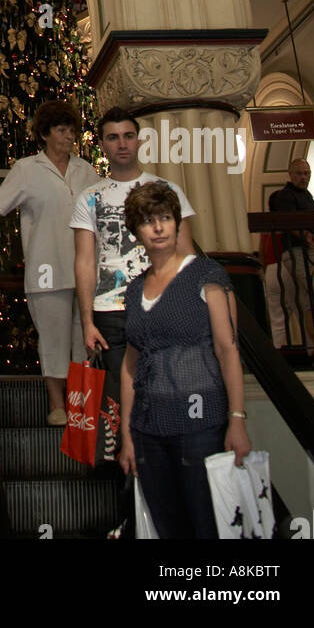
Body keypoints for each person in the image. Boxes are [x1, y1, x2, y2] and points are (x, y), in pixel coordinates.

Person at [0, 100, 98, 424]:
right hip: (46, 270)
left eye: (72, 130)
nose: (69, 137)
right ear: (45, 134)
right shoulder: (27, 169)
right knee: (53, 340)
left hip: (86, 270)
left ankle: (83, 407)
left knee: (85, 341)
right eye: (62, 130)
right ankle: (57, 404)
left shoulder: (86, 170)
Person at [118, 181, 251, 539]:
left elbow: (228, 350)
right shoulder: (134, 289)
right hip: (147, 429)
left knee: (208, 527)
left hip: (201, 425)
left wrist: (237, 420)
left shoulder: (206, 275)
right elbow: (130, 366)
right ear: (136, 232)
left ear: (177, 222)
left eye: (165, 218)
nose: (158, 228)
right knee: (167, 528)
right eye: (148, 221)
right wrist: (127, 434)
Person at [71, 106, 196, 381]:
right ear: (102, 144)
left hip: (162, 303)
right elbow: (84, 262)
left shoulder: (168, 190)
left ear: (139, 141)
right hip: (110, 310)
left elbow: (186, 254)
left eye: (128, 136)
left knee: (166, 385)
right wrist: (87, 322)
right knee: (121, 393)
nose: (122, 143)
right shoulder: (89, 197)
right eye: (113, 137)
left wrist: (188, 307)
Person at [266, 157, 314, 352]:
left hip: (308, 252)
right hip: (297, 252)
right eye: (299, 173)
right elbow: (289, 223)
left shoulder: (308, 197)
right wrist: (308, 237)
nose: (303, 177)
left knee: (308, 301)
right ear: (290, 174)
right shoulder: (285, 196)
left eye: (306, 173)